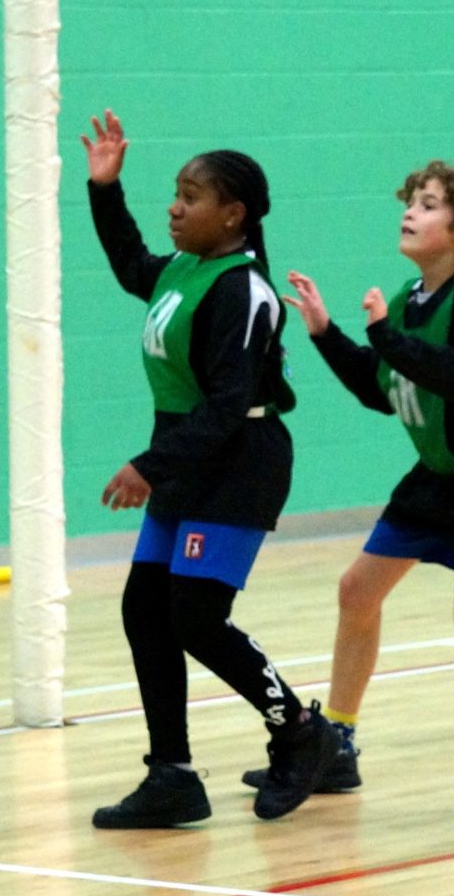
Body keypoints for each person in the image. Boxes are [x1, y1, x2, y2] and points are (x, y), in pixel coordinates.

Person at [242, 159, 454, 822]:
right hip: (436, 475)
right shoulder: (409, 299)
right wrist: (327, 333)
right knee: (357, 591)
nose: (411, 211)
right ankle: (337, 745)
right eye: (413, 201)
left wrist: (383, 337)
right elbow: (384, 391)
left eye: (429, 205)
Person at [81, 110, 338, 830]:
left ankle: (300, 732)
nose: (175, 206)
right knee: (146, 610)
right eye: (174, 192)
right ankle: (172, 776)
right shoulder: (187, 270)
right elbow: (133, 265)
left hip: (237, 464)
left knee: (195, 615)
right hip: (188, 457)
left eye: (190, 196)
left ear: (234, 216)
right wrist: (107, 190)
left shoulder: (242, 290)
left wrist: (148, 465)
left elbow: (229, 405)